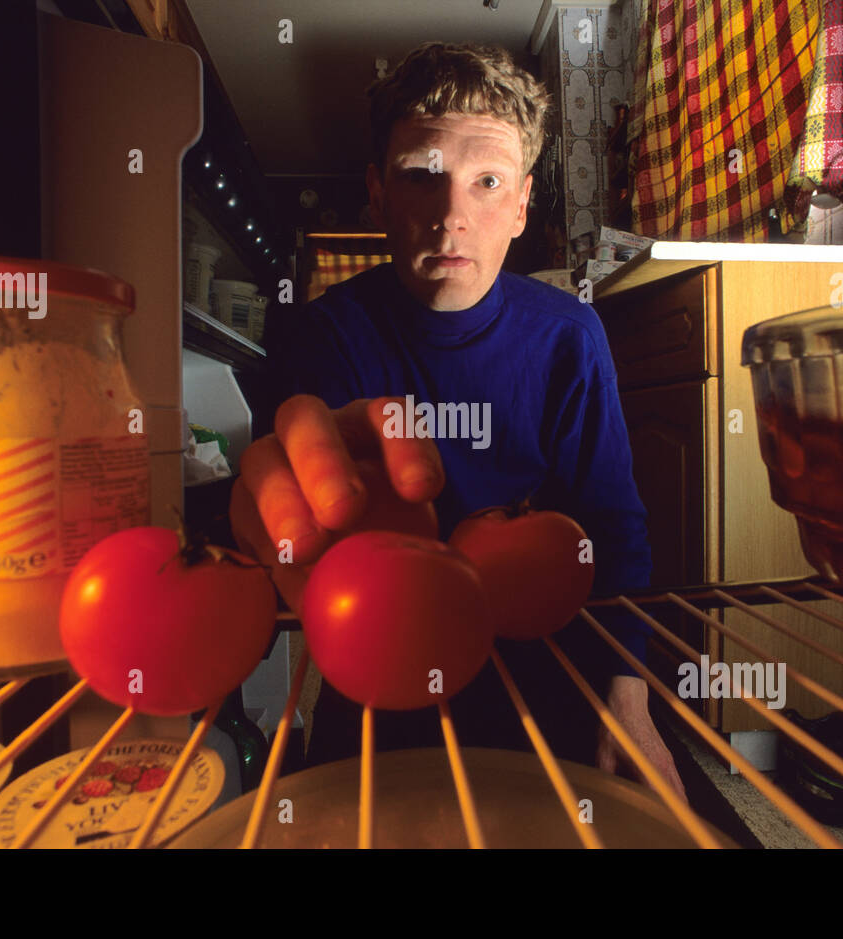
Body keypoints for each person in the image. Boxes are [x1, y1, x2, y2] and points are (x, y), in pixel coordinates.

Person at [229, 41, 686, 802]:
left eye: (486, 182)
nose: (452, 217)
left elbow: (614, 527)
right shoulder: (323, 334)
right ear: (377, 193)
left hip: (548, 665)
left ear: (521, 202)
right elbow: (297, 533)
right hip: (382, 667)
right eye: (421, 176)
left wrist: (627, 696)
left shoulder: (568, 336)